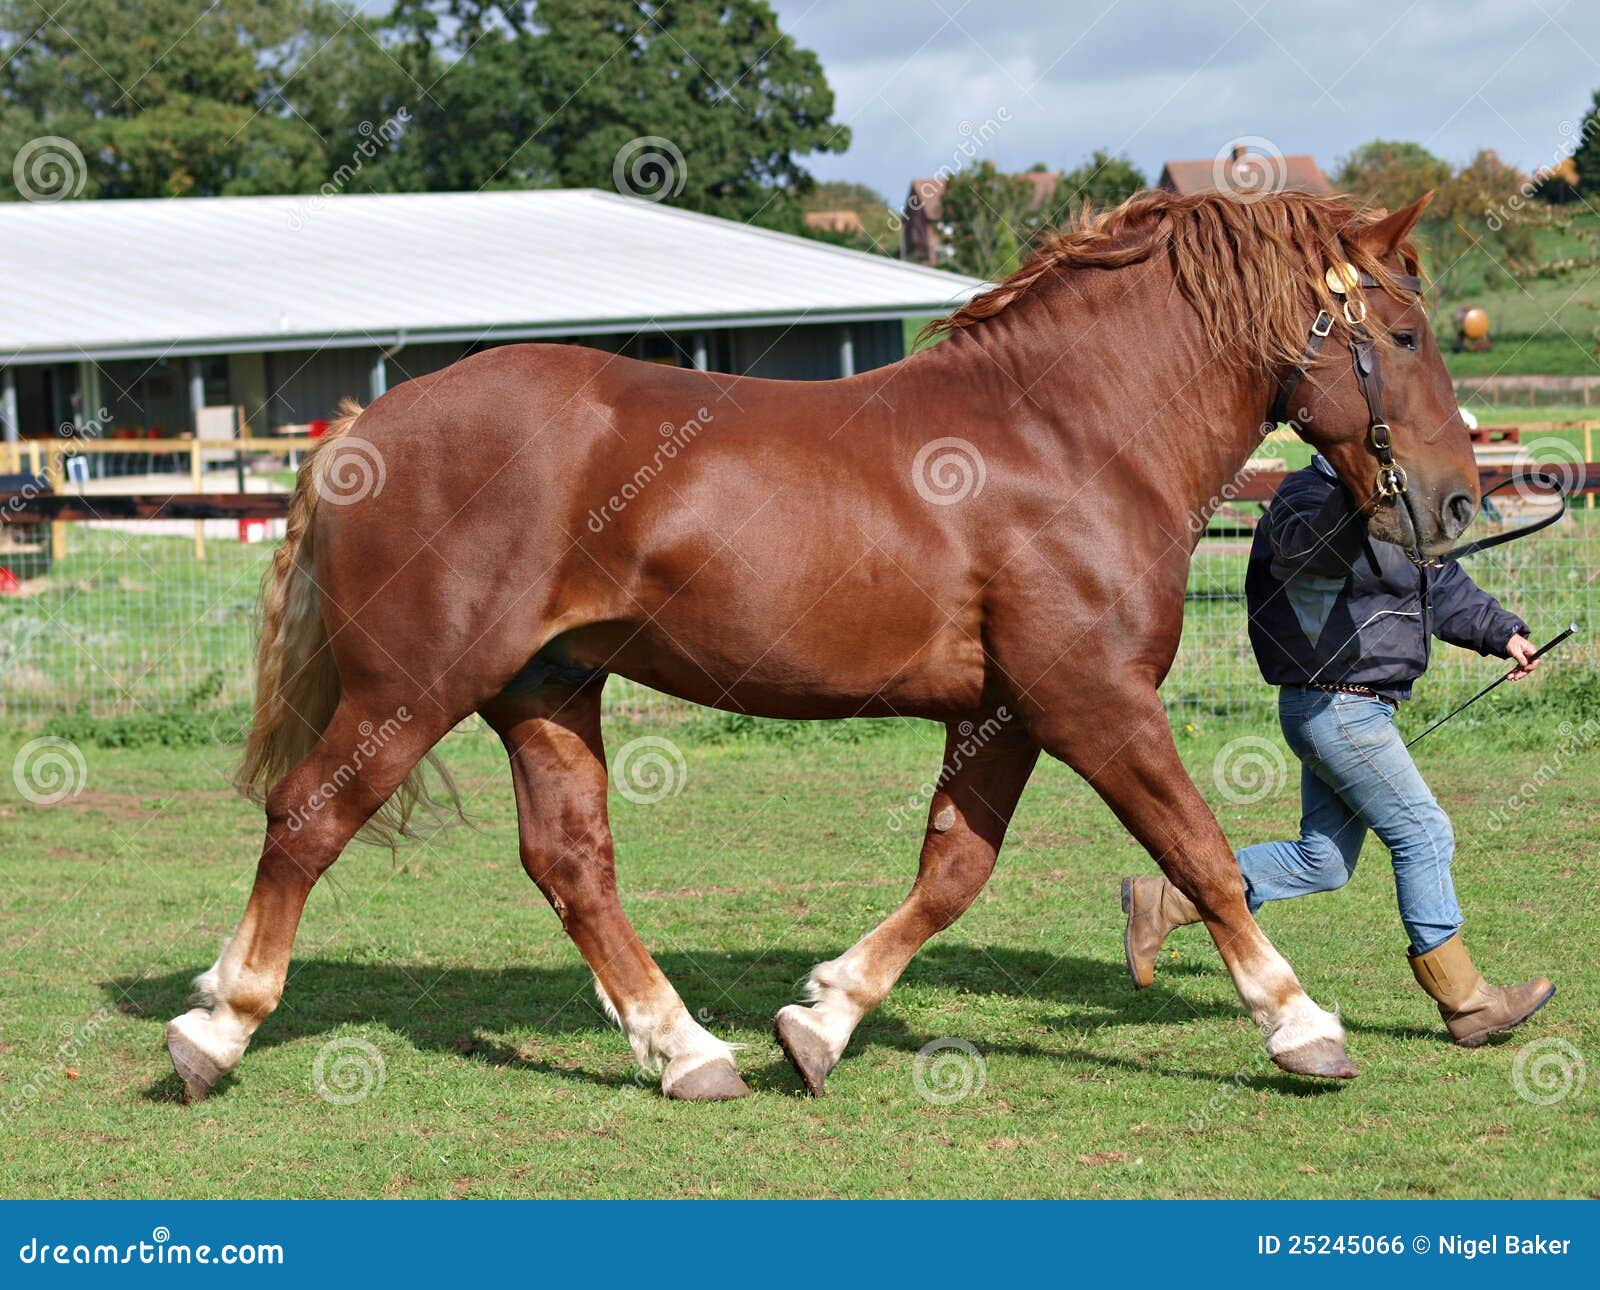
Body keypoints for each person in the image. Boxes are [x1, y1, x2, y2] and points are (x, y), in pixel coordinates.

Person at [1121, 453, 1555, 1047]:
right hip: (1336, 708)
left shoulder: (1395, 501)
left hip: (1354, 706)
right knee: (1424, 833)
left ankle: (1166, 898)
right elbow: (1311, 552)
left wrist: (1501, 631)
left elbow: (1438, 579)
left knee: (1323, 861)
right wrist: (1362, 498)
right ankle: (1468, 1002)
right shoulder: (1305, 499)